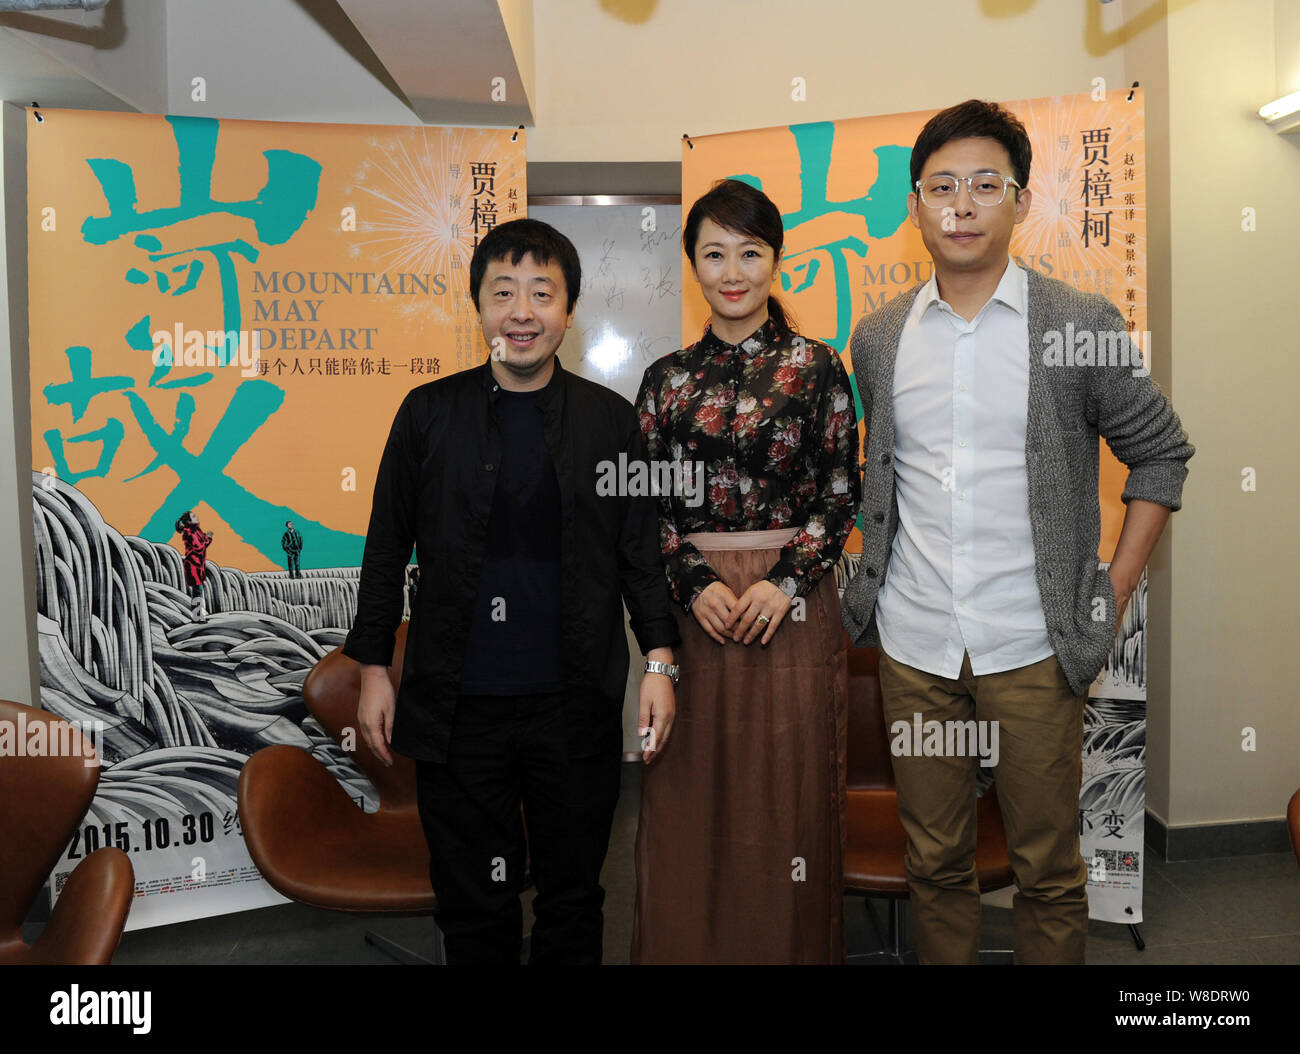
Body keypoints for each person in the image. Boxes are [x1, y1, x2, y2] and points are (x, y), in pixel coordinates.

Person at [840, 99, 1194, 965]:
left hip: (1033, 647)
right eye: (941, 186)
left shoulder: (1078, 324)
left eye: (985, 185)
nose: (962, 204)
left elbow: (1160, 456)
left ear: (1021, 200)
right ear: (915, 205)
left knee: (1046, 869)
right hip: (917, 645)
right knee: (936, 863)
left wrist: (1108, 595)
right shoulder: (880, 339)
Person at [342, 218, 679, 965]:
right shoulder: (428, 414)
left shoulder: (610, 423)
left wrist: (660, 662)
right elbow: (386, 548)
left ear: (568, 310)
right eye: (503, 293)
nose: (521, 312)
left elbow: (638, 554)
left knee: (572, 898)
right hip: (459, 710)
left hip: (575, 705)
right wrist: (372, 669)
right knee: (474, 905)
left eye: (541, 293)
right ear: (479, 308)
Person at [630, 179, 861, 964]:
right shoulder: (664, 379)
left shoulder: (818, 367)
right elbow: (646, 508)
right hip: (693, 616)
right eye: (715, 253)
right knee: (693, 799)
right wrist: (693, 584)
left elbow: (841, 491)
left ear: (776, 261)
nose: (734, 271)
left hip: (791, 612)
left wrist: (783, 581)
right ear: (693, 263)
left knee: (786, 799)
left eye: (751, 253)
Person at [175, 510, 212, 622]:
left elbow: (202, 545)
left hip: (198, 565)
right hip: (193, 566)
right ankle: (197, 616)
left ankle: (199, 613)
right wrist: (208, 538)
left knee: (199, 590)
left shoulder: (196, 530)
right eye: (194, 516)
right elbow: (199, 547)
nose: (196, 517)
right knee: (197, 590)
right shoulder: (189, 532)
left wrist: (207, 539)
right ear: (189, 521)